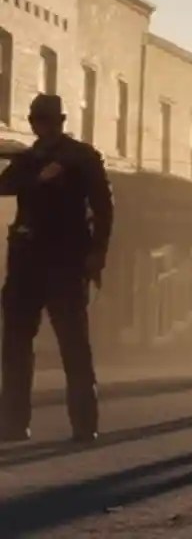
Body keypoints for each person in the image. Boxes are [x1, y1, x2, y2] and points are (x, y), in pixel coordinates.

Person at [0, 94, 113, 442]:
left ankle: (84, 423)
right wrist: (36, 175)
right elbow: (5, 186)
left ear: (60, 122)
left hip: (65, 259)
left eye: (46, 121)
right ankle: (14, 422)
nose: (41, 127)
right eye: (37, 121)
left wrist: (97, 253)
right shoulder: (29, 159)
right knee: (16, 344)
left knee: (74, 345)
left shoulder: (82, 157)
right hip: (27, 261)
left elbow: (103, 207)